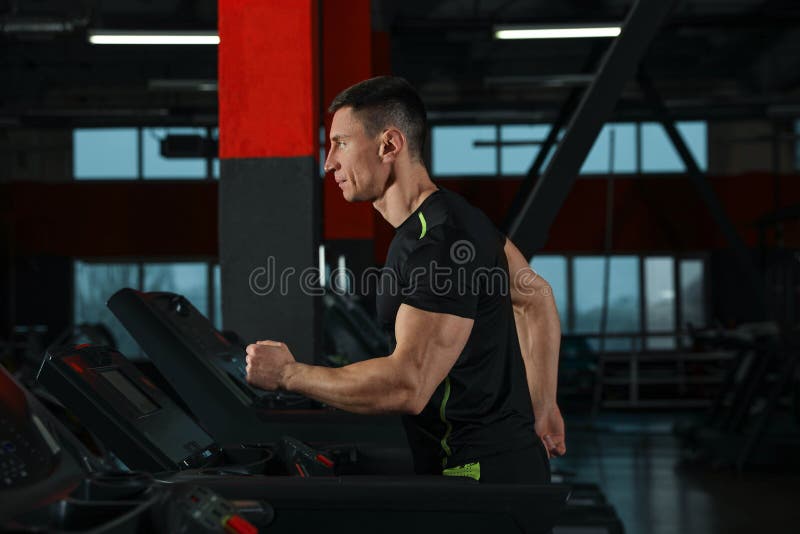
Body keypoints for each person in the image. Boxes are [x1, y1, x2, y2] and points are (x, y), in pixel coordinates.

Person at [245, 76, 565, 483]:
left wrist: (288, 374)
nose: (329, 163)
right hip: (495, 464)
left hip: (476, 477)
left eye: (340, 143)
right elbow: (535, 296)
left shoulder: (438, 245)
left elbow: (407, 385)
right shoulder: (456, 218)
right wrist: (544, 406)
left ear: (389, 145)